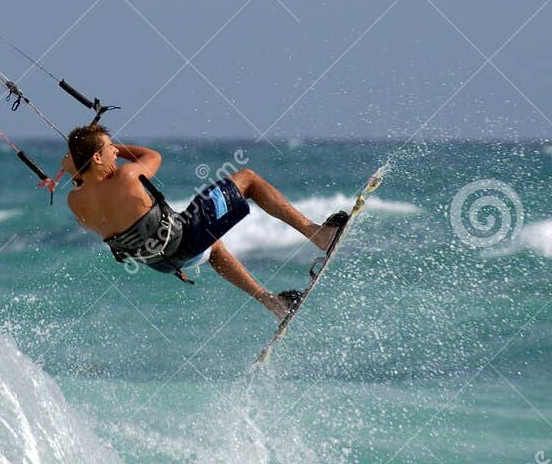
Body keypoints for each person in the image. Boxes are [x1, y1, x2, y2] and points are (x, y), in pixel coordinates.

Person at [63, 125, 347, 322]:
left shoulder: (75, 202)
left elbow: (86, 182)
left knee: (214, 246)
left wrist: (77, 164)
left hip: (161, 262)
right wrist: (117, 149)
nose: (115, 151)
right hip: (181, 238)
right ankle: (318, 234)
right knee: (247, 178)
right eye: (109, 148)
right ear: (97, 156)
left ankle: (274, 303)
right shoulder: (126, 177)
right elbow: (152, 156)